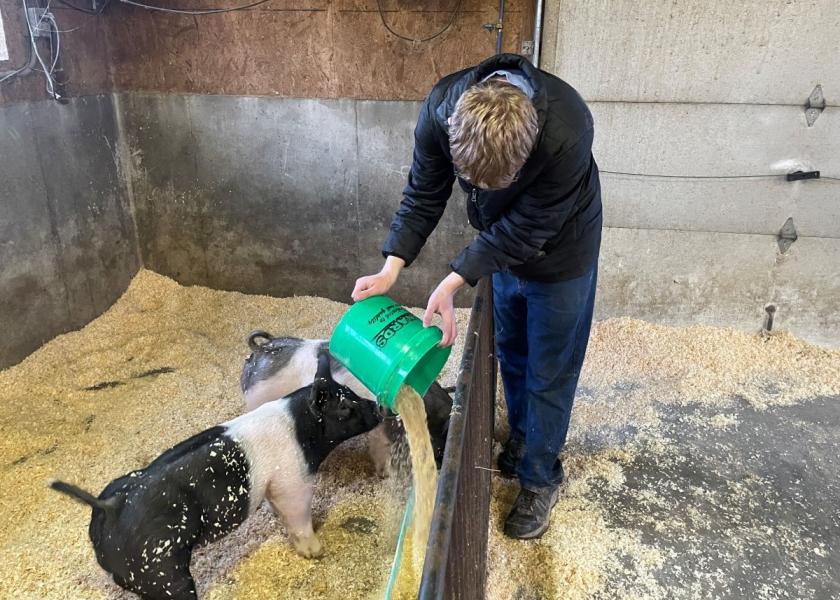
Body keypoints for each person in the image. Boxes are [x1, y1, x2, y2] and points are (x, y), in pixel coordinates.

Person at [351, 53, 602, 539]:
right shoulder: (442, 107)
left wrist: (451, 281)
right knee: (511, 349)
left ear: (527, 153)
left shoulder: (567, 129)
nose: (476, 190)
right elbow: (424, 191)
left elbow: (527, 229)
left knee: (549, 367)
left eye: (494, 183)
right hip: (501, 251)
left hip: (563, 253)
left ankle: (540, 477)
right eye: (472, 182)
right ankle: (525, 439)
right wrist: (391, 267)